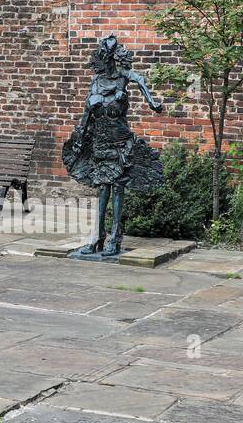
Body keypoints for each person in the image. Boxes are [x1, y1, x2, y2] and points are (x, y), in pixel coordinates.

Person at [62, 35, 165, 257]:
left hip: (119, 141)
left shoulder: (124, 77)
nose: (108, 61)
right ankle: (97, 237)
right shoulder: (97, 82)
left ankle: (115, 239)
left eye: (110, 57)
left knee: (118, 188)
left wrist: (152, 102)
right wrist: (80, 137)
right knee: (102, 189)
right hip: (101, 141)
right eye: (105, 57)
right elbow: (86, 113)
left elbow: (140, 80)